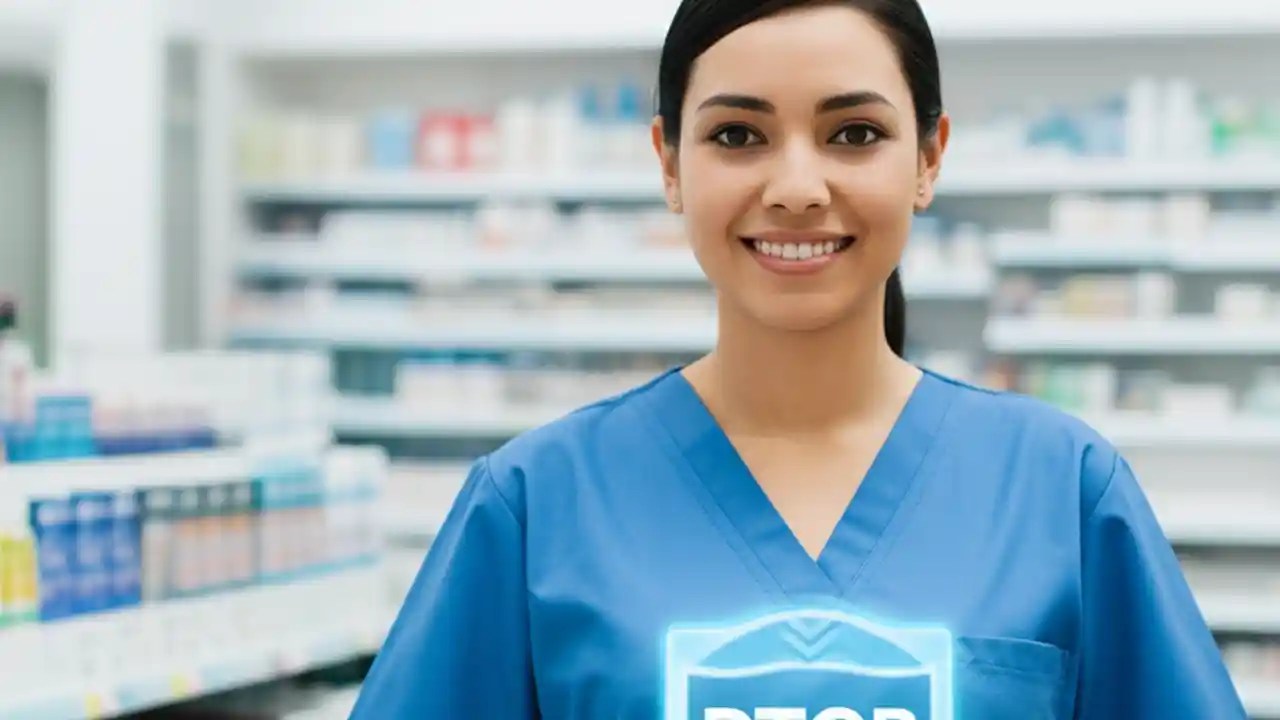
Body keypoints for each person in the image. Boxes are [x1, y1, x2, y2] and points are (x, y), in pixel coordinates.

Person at [350, 1, 1246, 718]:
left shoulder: (1062, 489)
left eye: (854, 133)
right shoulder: (536, 504)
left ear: (929, 158)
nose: (796, 188)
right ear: (669, 163)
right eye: (738, 135)